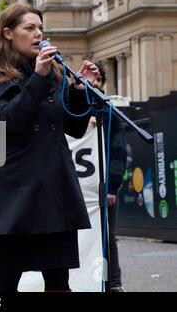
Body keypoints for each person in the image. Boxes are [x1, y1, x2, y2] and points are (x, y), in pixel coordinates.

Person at [0, 3, 100, 292]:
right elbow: (7, 120)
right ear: (8, 33)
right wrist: (38, 77)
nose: (38, 33)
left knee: (58, 282)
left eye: (40, 28)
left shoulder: (54, 74)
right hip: (12, 193)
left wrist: (80, 91)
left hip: (54, 191)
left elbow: (75, 127)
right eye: (29, 28)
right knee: (6, 281)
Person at [89, 63, 127, 292]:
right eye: (89, 79)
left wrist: (112, 186)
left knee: (107, 238)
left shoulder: (109, 112)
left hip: (104, 187)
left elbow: (119, 150)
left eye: (97, 80)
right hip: (80, 186)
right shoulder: (73, 109)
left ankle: (113, 283)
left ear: (101, 83)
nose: (92, 84)